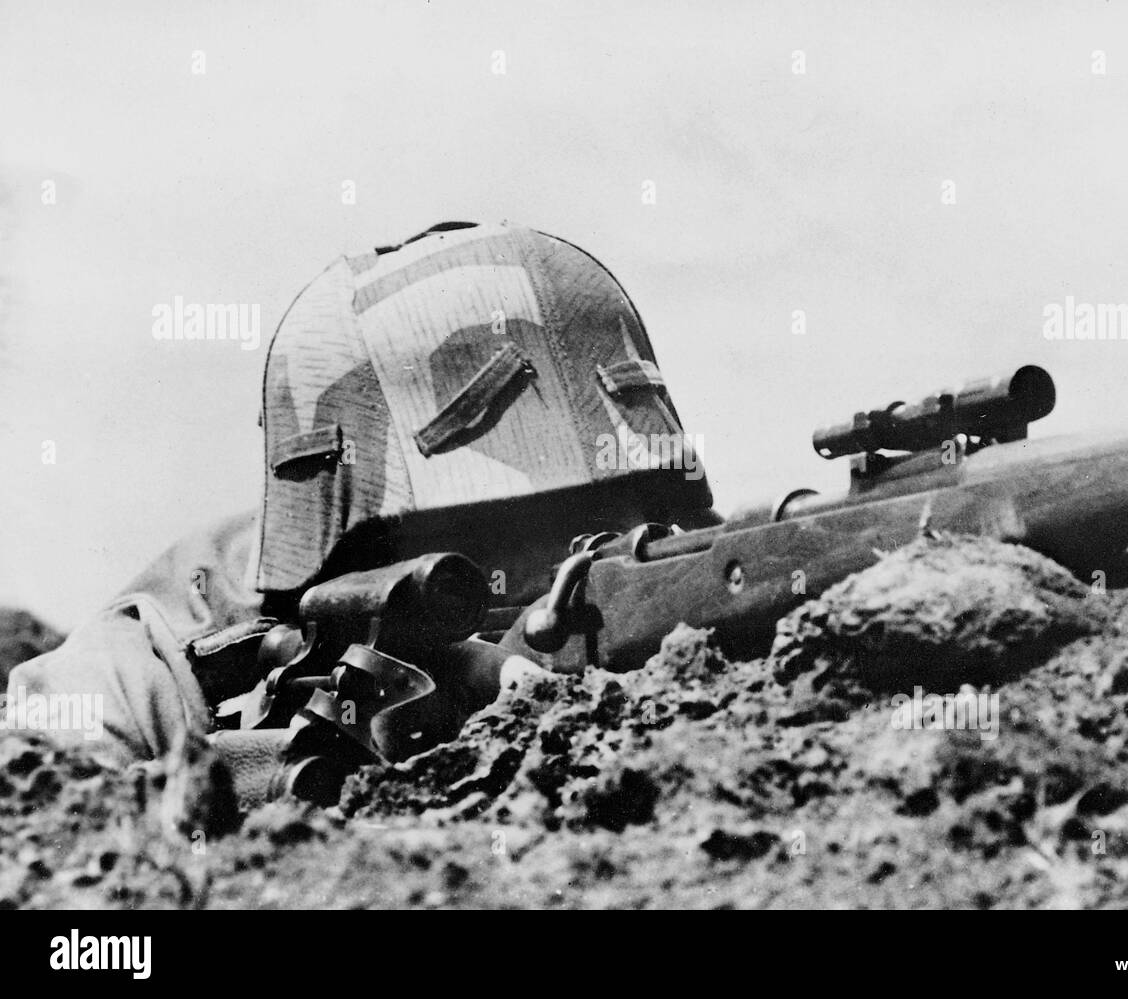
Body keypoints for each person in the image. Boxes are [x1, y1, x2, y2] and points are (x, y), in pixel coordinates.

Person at [8, 220, 717, 794]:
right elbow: (42, 827)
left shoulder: (698, 585)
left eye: (606, 517)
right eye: (493, 534)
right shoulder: (138, 675)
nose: (567, 572)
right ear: (360, 556)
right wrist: (306, 770)